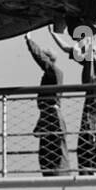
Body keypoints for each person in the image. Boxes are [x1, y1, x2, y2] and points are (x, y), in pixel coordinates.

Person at [48, 24, 96, 174]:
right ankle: (89, 165)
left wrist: (90, 52)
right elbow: (66, 48)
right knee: (88, 130)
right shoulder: (87, 58)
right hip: (89, 98)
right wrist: (52, 34)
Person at [24, 35, 69, 176]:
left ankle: (58, 172)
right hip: (48, 115)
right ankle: (52, 172)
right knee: (48, 146)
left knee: (53, 146)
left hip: (51, 116)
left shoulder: (54, 72)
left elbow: (40, 59)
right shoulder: (53, 74)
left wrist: (30, 42)